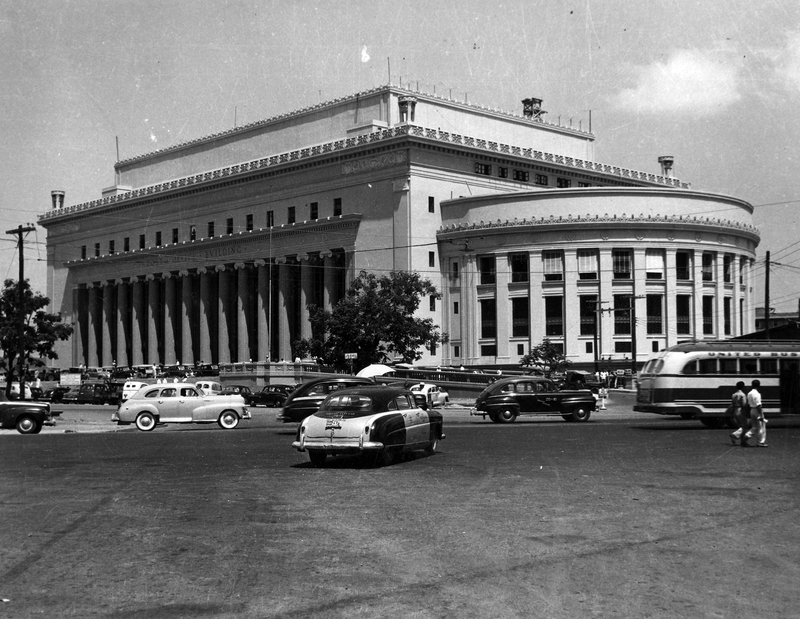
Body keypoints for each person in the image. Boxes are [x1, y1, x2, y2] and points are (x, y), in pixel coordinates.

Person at [743, 379, 768, 448]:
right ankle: (761, 442)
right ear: (759, 385)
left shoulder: (749, 393)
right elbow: (758, 405)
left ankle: (746, 436)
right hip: (757, 411)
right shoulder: (757, 394)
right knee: (761, 427)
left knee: (755, 427)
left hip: (752, 410)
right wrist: (761, 415)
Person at [729, 381, 749, 445]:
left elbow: (732, 404)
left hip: (735, 410)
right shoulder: (743, 395)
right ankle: (735, 435)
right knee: (745, 425)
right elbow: (744, 404)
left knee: (741, 426)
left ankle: (741, 440)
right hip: (740, 410)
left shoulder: (734, 395)